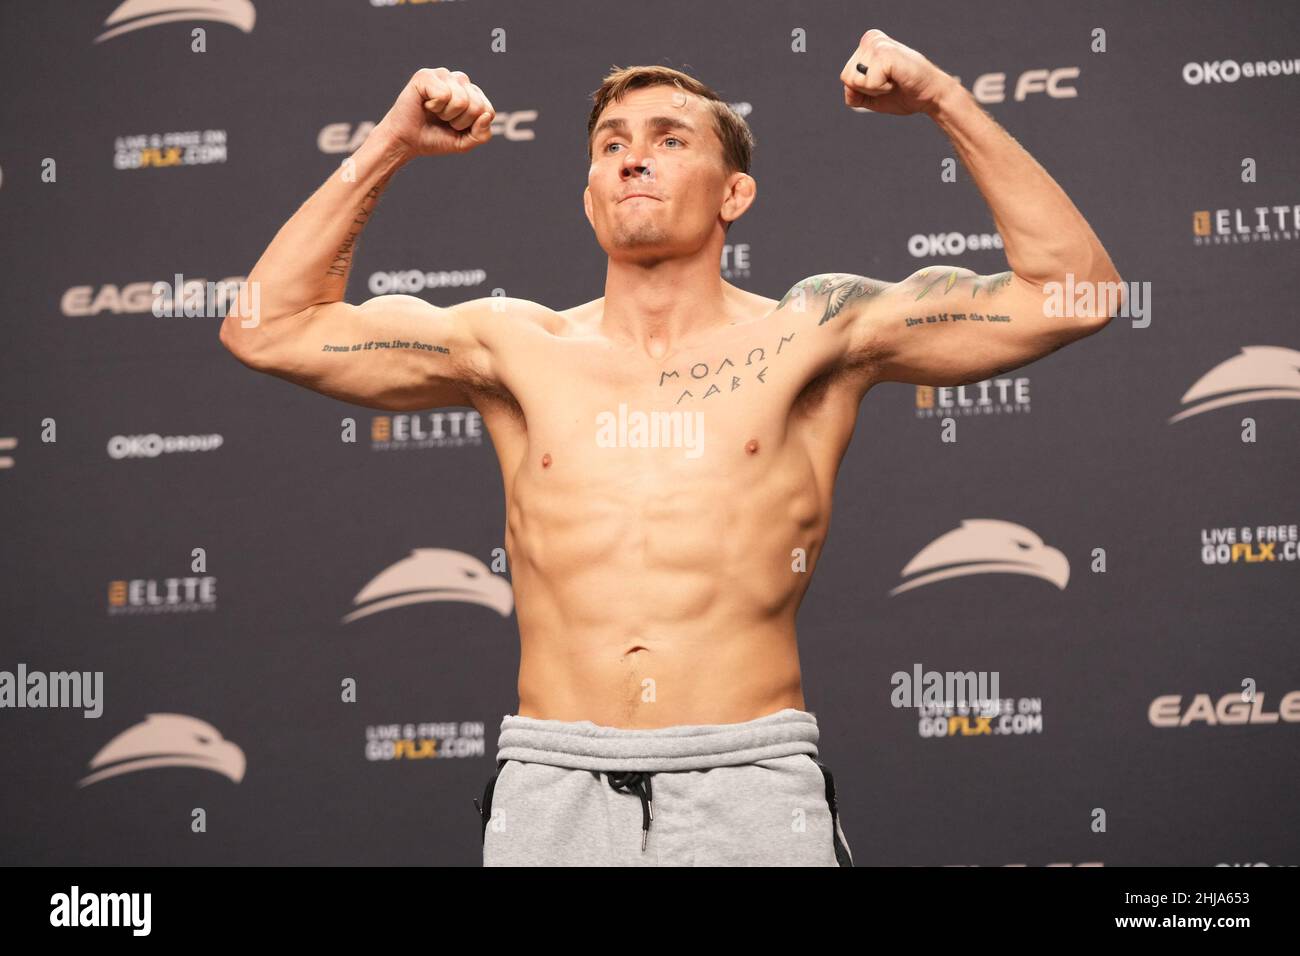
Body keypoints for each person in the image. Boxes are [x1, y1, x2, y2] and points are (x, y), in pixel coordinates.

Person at [219, 29, 1123, 866]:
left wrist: (941, 98)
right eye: (610, 144)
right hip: (553, 786)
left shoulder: (816, 331)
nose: (633, 156)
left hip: (752, 783)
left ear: (737, 194)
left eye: (669, 138)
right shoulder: (515, 346)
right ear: (589, 195)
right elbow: (267, 328)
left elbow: (1076, 292)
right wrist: (391, 144)